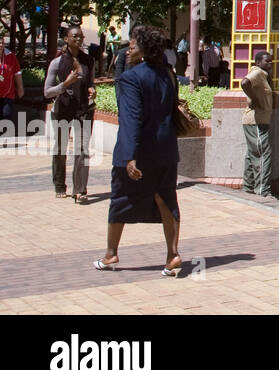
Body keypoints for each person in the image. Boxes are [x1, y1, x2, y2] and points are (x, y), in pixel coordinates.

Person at [96, 25, 183, 275]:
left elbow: (131, 118)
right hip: (166, 149)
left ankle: (111, 254)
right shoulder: (168, 73)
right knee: (166, 199)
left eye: (132, 44)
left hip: (138, 151)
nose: (128, 49)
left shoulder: (131, 78)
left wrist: (130, 156)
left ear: (143, 49)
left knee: (120, 198)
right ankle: (173, 254)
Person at [45, 26, 95, 202]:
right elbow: (47, 92)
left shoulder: (88, 60)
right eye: (75, 36)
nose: (79, 39)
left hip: (84, 109)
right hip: (63, 109)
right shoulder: (57, 63)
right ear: (66, 39)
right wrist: (65, 84)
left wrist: (92, 90)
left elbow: (90, 82)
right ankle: (59, 184)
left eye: (81, 37)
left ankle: (79, 189)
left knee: (82, 149)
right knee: (60, 148)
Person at [239, 51, 275, 197]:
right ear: (258, 62)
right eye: (267, 61)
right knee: (263, 154)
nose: (270, 64)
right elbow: (245, 83)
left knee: (252, 154)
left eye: (271, 61)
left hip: (259, 122)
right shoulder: (258, 72)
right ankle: (263, 190)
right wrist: (254, 99)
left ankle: (248, 187)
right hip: (255, 122)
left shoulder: (264, 75)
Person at [0, 41, 22, 138]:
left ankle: (3, 137)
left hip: (8, 93)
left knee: (6, 115)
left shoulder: (10, 55)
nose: (1, 45)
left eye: (2, 43)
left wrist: (20, 88)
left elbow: (17, 73)